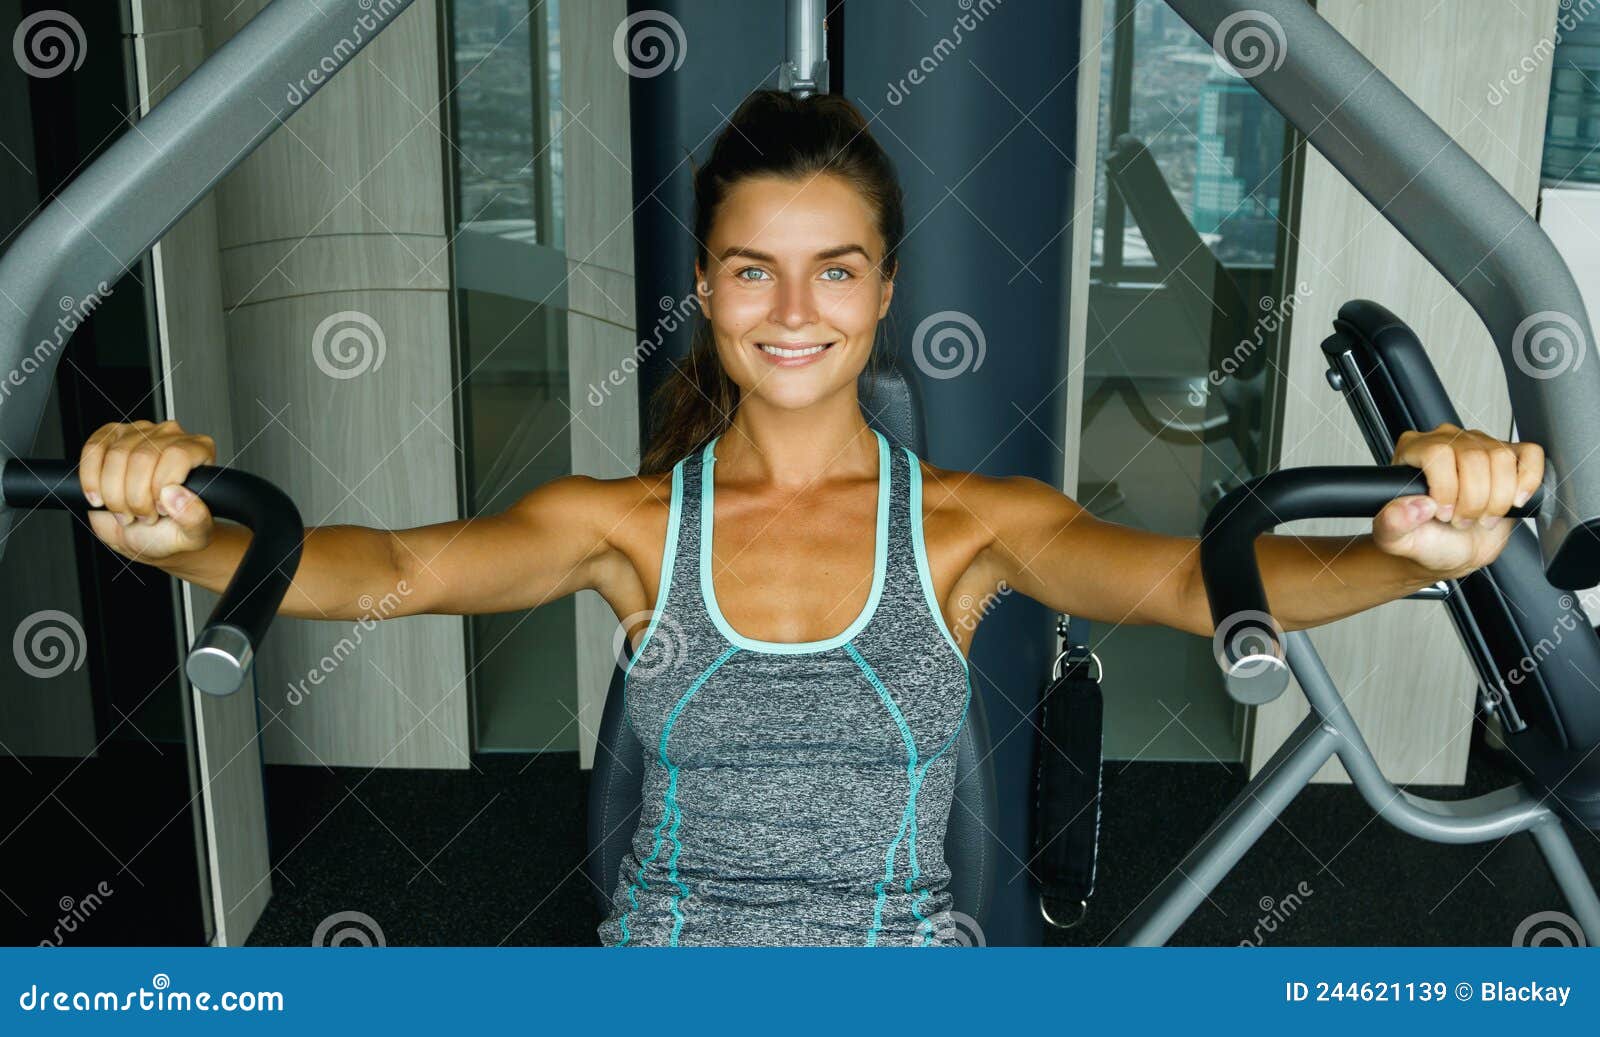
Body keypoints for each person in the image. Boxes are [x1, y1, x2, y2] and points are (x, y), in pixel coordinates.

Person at [74, 90, 1543, 947]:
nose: (794, 311)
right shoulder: (626, 524)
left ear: (885, 291)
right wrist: (188, 535)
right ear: (707, 291)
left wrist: (1406, 551)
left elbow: (1191, 580)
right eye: (753, 271)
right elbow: (388, 570)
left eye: (835, 270)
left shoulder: (973, 525)